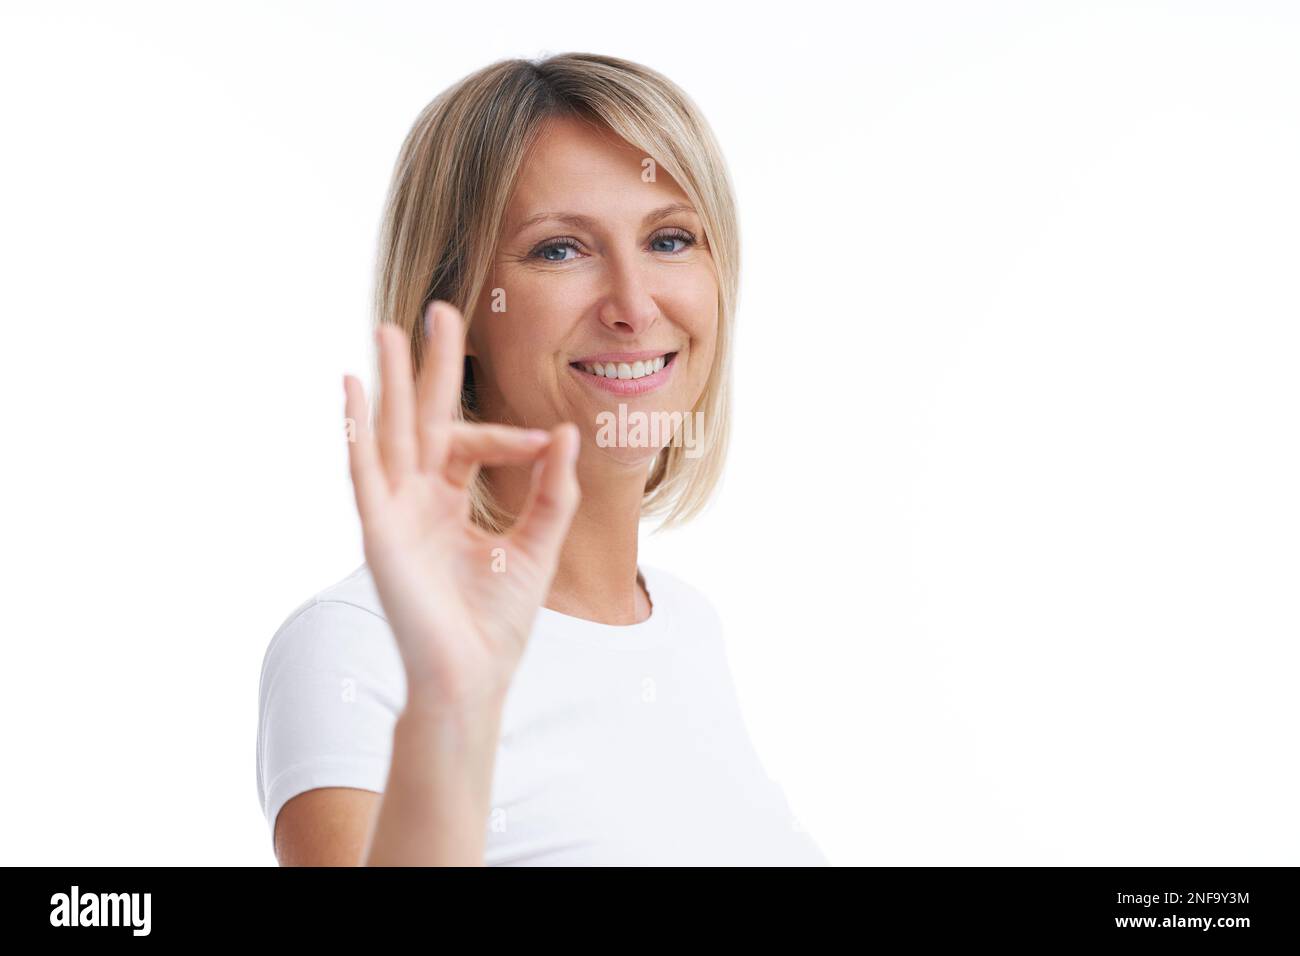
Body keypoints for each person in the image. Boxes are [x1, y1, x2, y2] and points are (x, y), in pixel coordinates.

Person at [255, 52, 828, 866]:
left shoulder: (688, 629)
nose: (634, 307)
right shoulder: (358, 650)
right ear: (448, 312)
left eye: (670, 239)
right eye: (560, 251)